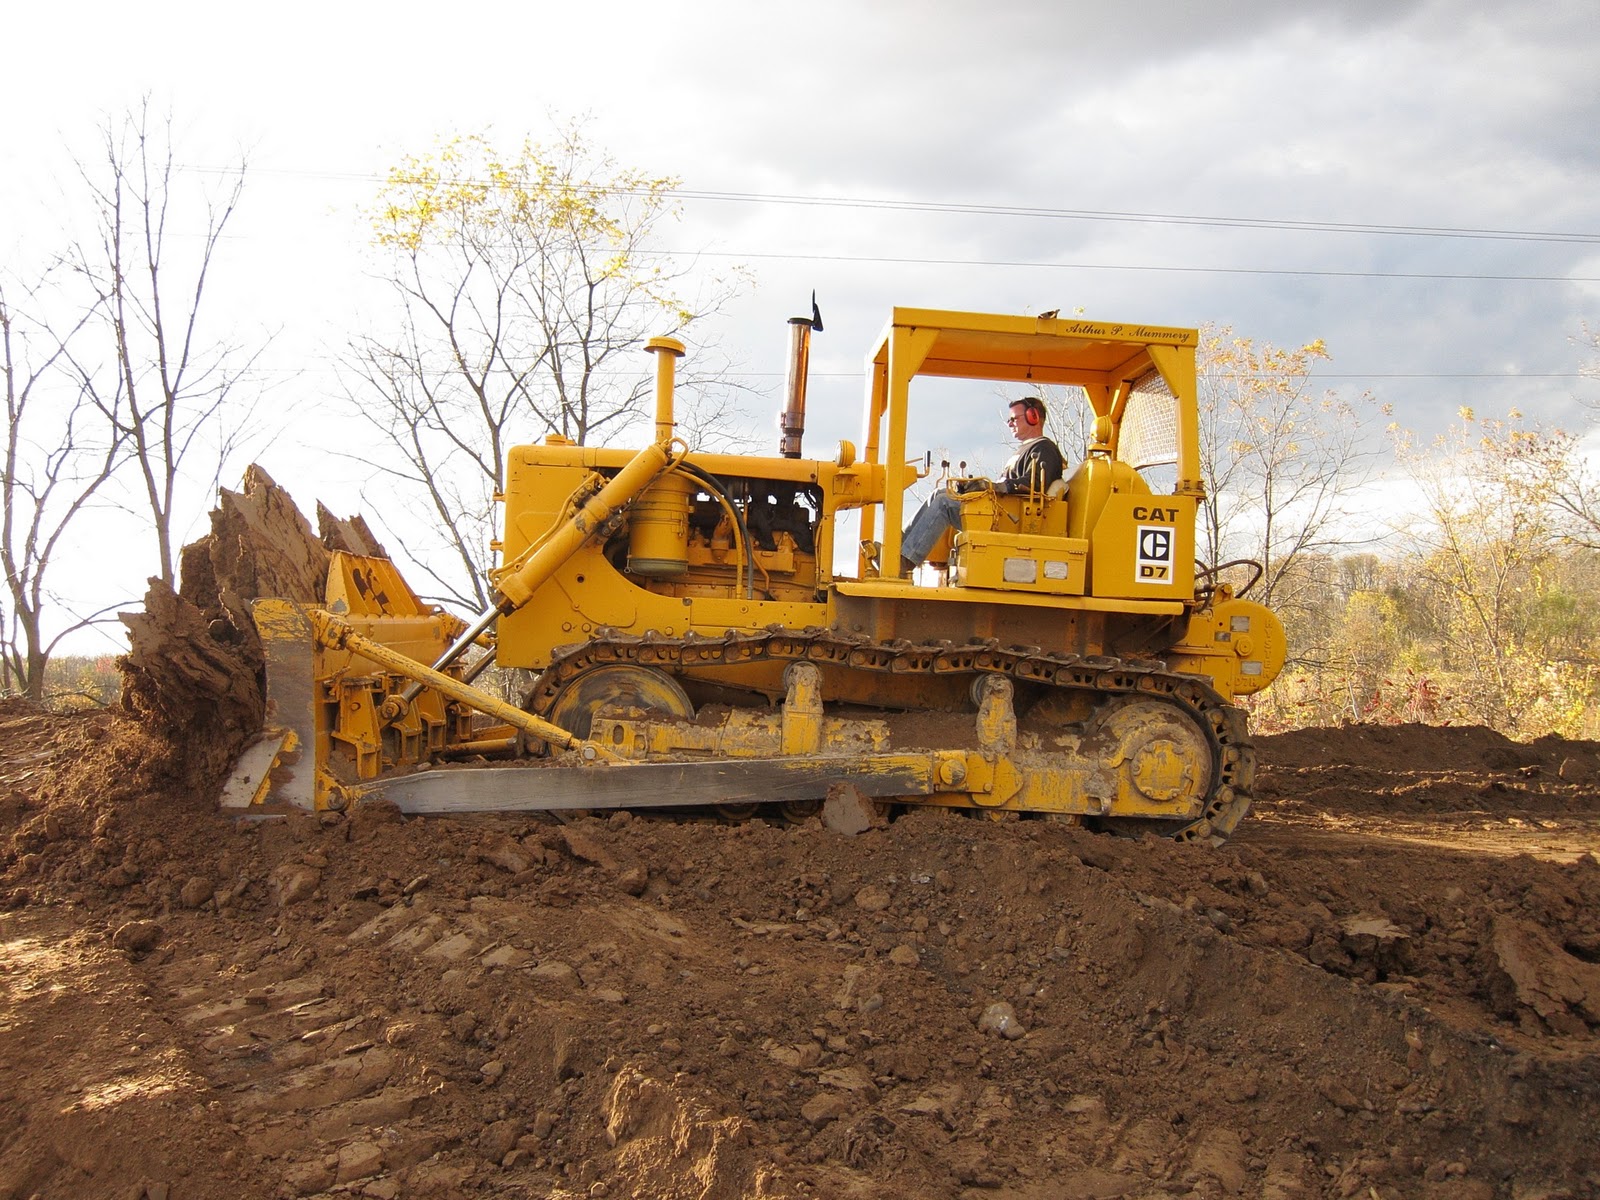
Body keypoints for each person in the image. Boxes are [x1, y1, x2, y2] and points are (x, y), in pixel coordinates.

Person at [898, 396, 1065, 572]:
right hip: (1000, 512)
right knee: (939, 494)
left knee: (944, 503)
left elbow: (1036, 484)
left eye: (1014, 419)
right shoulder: (1024, 450)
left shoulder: (1044, 449)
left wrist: (994, 487)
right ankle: (897, 549)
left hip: (1010, 519)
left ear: (1034, 417)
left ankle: (906, 561)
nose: (1009, 424)